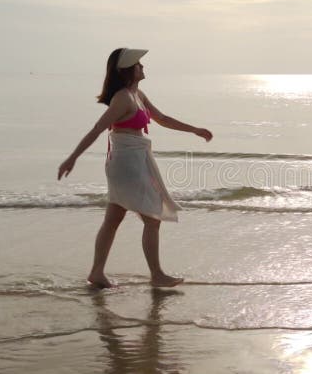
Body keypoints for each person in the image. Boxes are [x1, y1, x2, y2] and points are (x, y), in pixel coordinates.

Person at [57, 48, 212, 288]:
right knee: (152, 219)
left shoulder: (137, 94)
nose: (143, 67)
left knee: (113, 219)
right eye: (138, 64)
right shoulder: (123, 98)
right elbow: (98, 128)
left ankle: (97, 273)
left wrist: (194, 130)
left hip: (132, 160)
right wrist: (72, 158)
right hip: (128, 164)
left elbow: (162, 119)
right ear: (127, 70)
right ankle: (156, 275)